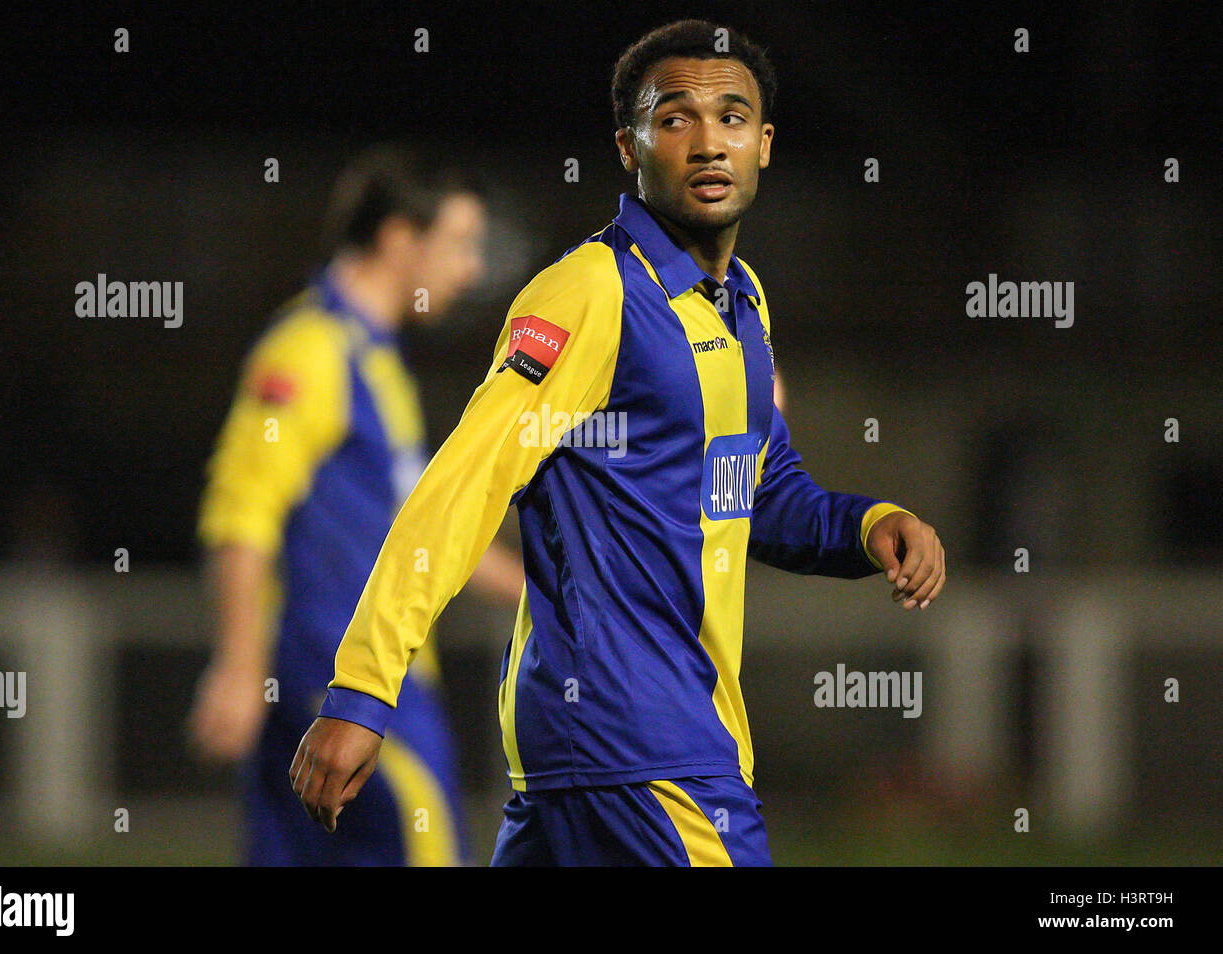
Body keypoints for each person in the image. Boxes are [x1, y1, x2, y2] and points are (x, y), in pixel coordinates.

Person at [290, 20, 946, 866]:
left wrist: (868, 526)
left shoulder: (740, 302)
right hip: (646, 754)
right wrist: (364, 689)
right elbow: (461, 488)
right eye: (674, 119)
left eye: (732, 117)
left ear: (765, 144)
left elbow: (756, 490)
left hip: (591, 758)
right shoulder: (590, 294)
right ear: (628, 149)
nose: (708, 142)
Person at [189, 144, 524, 865]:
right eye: (461, 243)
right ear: (400, 236)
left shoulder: (372, 360)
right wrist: (240, 666)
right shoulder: (311, 350)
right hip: (346, 692)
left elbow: (420, 534)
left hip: (347, 688)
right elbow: (240, 513)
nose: (469, 270)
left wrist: (549, 593)